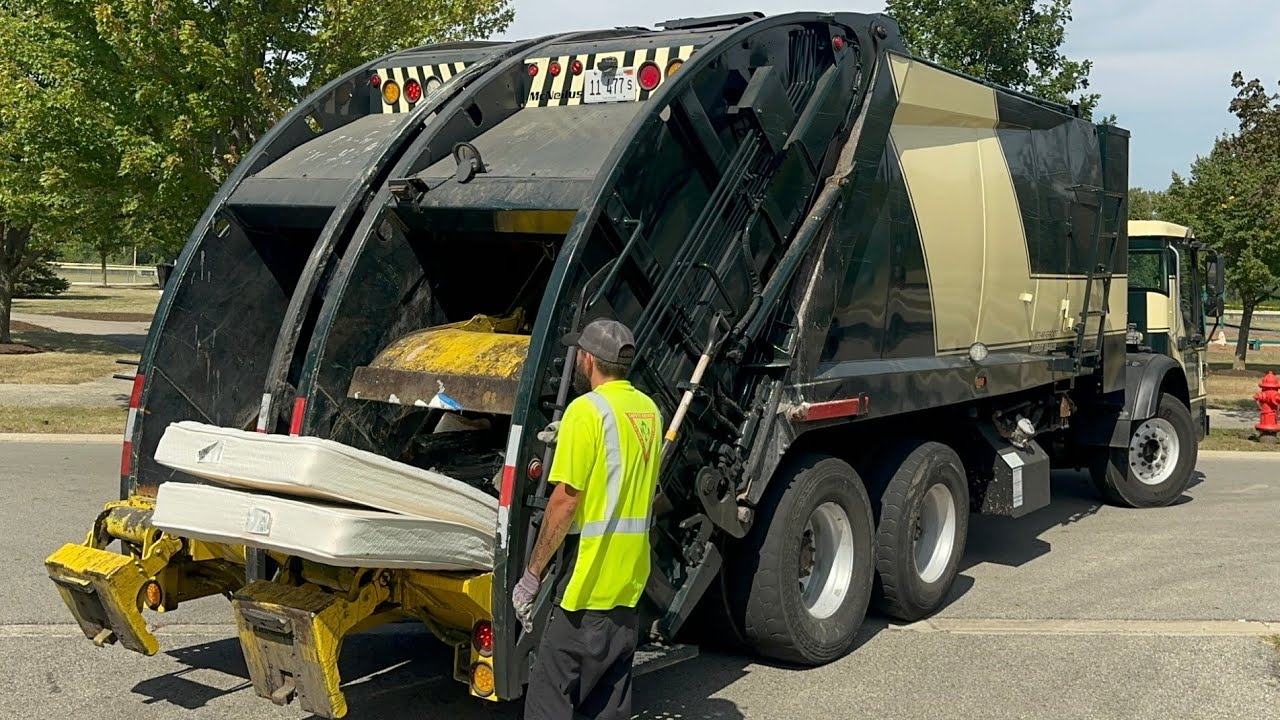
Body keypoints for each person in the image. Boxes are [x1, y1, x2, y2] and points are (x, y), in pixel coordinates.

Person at [513, 318, 663, 720]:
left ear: (588, 359)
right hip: (628, 585)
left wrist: (531, 575)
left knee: (549, 703)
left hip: (586, 585)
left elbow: (565, 502)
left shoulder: (586, 412)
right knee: (607, 704)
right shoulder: (650, 411)